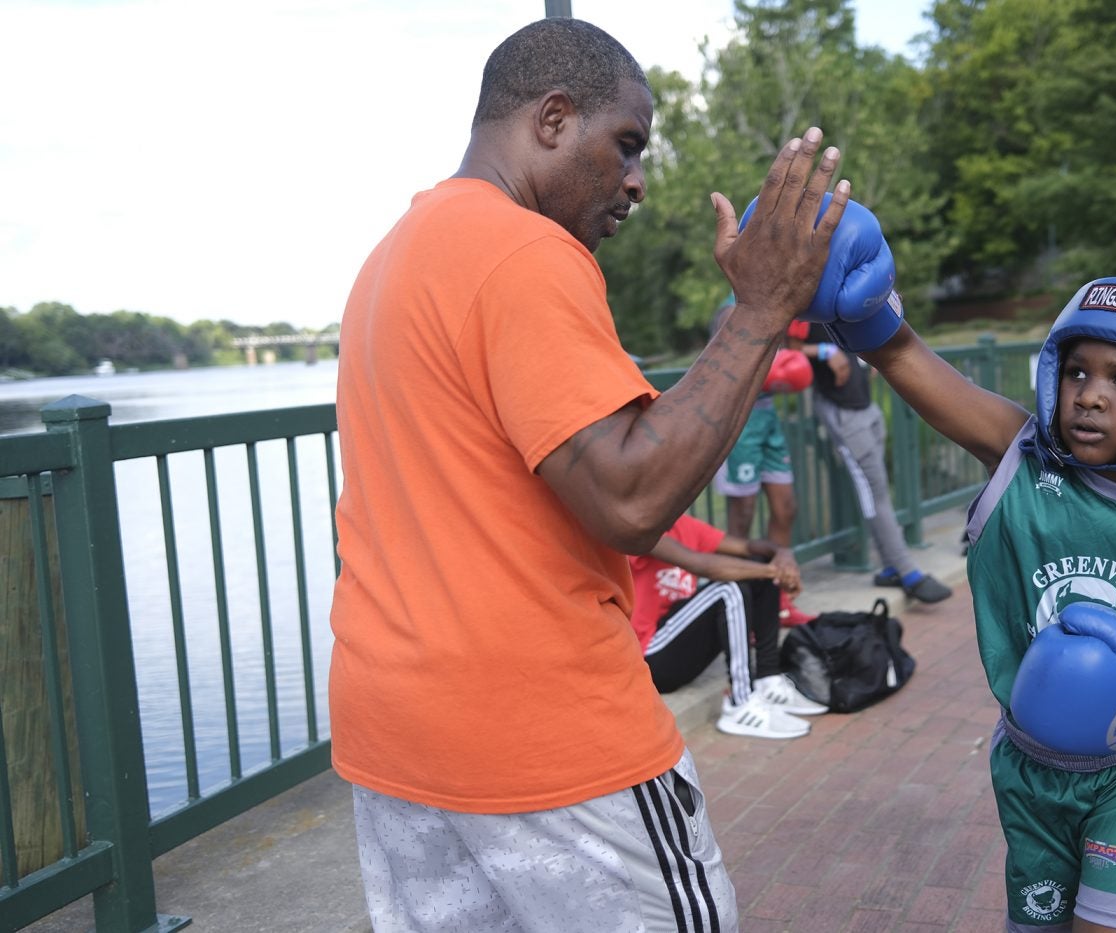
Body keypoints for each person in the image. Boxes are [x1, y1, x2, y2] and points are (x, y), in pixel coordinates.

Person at [328, 17, 857, 933]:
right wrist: (763, 307)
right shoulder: (526, 253)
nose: (638, 181)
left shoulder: (394, 256)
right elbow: (630, 496)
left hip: (397, 736)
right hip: (546, 742)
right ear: (552, 119)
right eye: (625, 146)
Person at [822, 274, 1116, 931]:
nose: (1090, 396)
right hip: (1031, 770)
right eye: (1077, 371)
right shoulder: (1020, 459)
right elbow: (906, 356)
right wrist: (864, 310)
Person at [630, 514, 828, 739]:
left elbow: (748, 546)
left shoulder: (683, 524)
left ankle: (767, 680)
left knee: (759, 566)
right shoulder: (641, 529)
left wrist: (783, 554)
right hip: (650, 657)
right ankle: (740, 703)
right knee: (729, 587)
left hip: (678, 645)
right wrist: (778, 571)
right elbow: (700, 564)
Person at [800, 322, 953, 605]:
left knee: (879, 493)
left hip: (865, 407)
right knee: (875, 495)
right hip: (843, 413)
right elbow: (783, 349)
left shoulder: (838, 294)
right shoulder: (807, 304)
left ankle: (892, 567)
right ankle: (908, 573)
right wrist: (823, 351)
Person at [710, 299, 817, 624]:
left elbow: (783, 360)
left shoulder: (779, 308)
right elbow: (723, 365)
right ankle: (735, 611)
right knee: (741, 515)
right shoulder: (732, 310)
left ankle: (778, 603)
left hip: (766, 417)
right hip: (737, 420)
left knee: (786, 508)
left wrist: (790, 367)